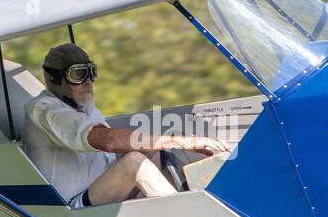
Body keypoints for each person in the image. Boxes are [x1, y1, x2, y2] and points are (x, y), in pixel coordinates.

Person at [22, 43, 229, 208]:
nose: (89, 81)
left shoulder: (87, 109)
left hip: (104, 194)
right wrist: (181, 142)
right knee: (135, 163)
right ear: (55, 79)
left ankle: (223, 200)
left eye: (92, 72)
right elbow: (108, 140)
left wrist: (179, 144)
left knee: (156, 153)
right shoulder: (44, 110)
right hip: (72, 211)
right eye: (78, 75)